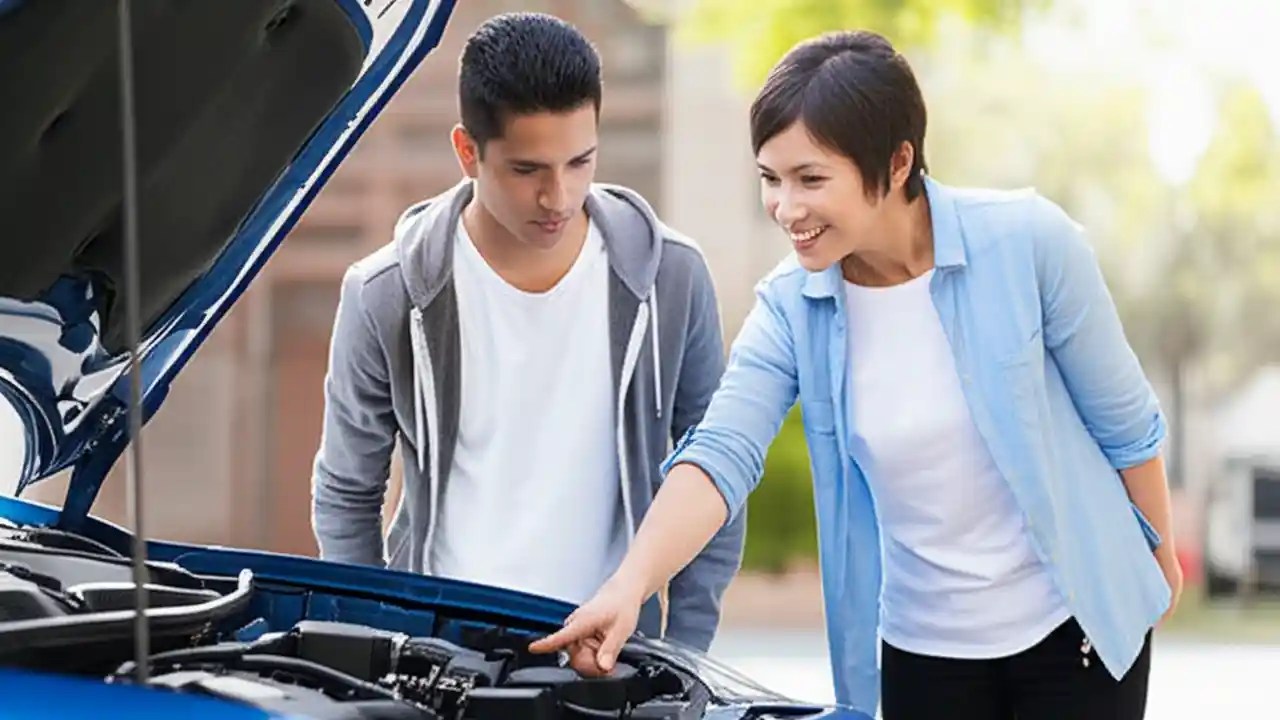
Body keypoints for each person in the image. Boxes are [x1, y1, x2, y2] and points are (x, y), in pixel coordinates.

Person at [530, 29, 1181, 719]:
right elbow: (722, 452)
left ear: (897, 162)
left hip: (1071, 633)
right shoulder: (793, 306)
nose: (786, 209)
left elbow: (1126, 425)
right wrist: (631, 584)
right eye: (771, 180)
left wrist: (1160, 564)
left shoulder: (1029, 246)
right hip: (924, 651)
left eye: (811, 179)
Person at [311, 12, 744, 652]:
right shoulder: (387, 294)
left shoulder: (671, 280)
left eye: (580, 161)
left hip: (613, 658)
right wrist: (374, 646)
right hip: (442, 657)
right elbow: (347, 493)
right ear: (467, 152)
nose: (559, 196)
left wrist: (684, 653)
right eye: (527, 170)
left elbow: (717, 473)